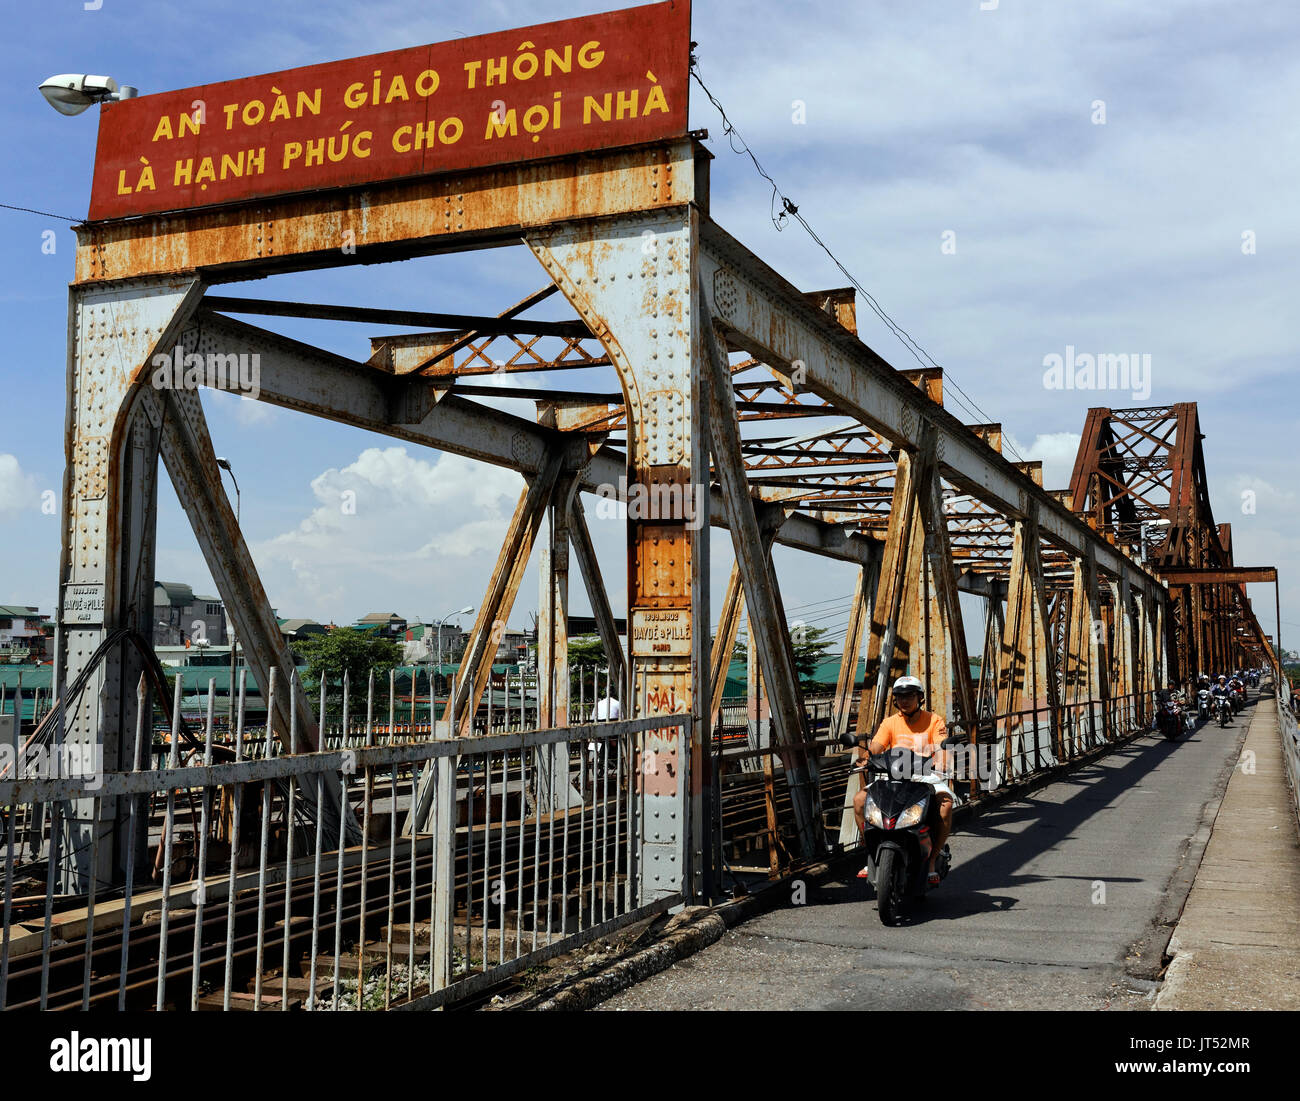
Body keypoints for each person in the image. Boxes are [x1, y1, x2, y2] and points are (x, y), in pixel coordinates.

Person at [852, 675, 955, 885]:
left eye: (909, 696)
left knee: (945, 806)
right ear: (895, 699)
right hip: (894, 775)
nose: (905, 700)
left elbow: (941, 745)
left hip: (925, 775)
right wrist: (866, 759)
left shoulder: (934, 720)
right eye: (900, 696)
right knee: (859, 801)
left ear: (920, 698)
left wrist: (942, 760)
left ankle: (933, 859)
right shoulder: (890, 722)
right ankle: (871, 853)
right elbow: (877, 746)